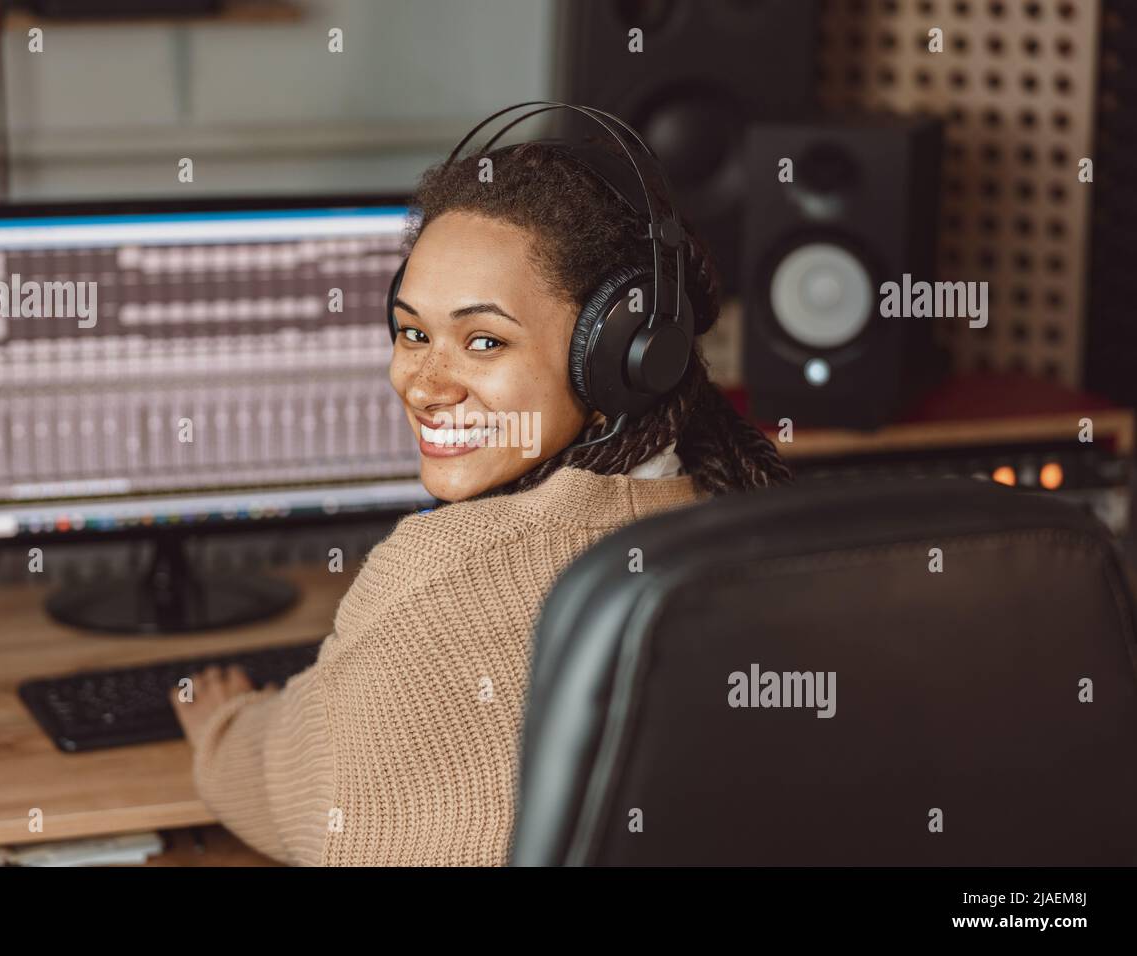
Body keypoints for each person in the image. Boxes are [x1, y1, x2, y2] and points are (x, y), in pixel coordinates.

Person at [169, 133, 793, 866]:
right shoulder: (726, 514)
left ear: (617, 361)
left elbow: (306, 791)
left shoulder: (438, 573)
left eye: (485, 342)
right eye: (412, 332)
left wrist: (223, 727)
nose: (426, 384)